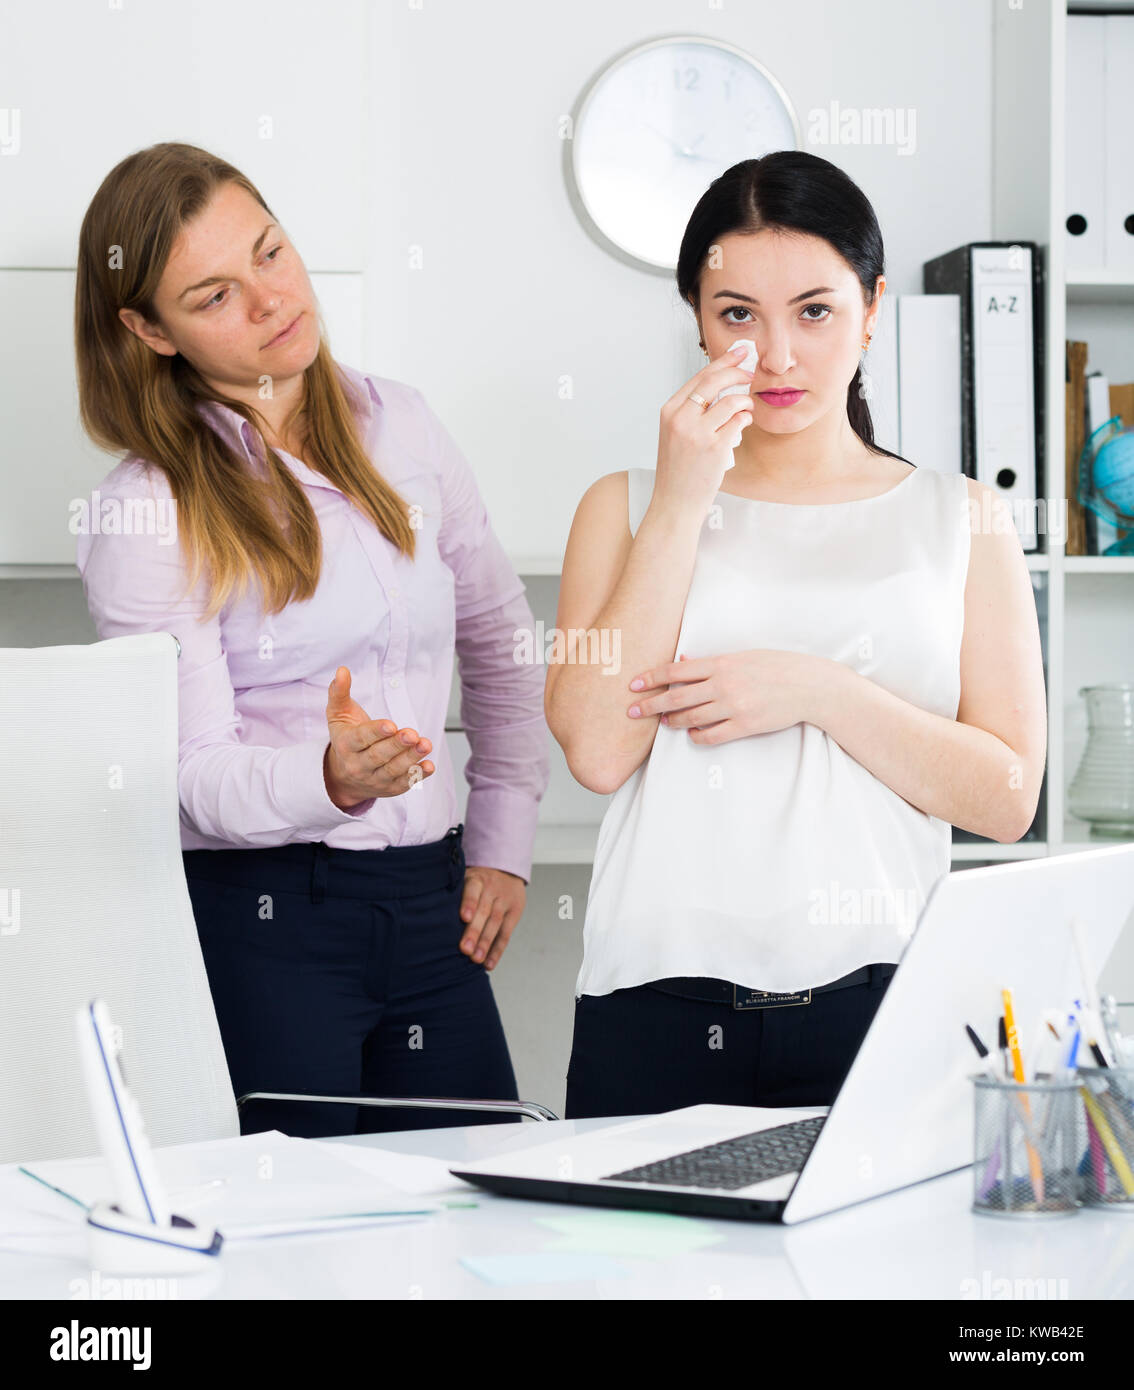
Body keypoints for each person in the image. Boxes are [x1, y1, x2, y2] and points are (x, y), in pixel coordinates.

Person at [547, 151, 1047, 1119]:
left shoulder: (964, 517)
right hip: (655, 1003)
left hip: (880, 1001)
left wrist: (819, 690)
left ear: (872, 308)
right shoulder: (624, 507)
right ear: (696, 316)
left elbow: (1006, 795)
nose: (776, 356)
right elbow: (600, 750)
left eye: (814, 310)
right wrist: (685, 501)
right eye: (738, 314)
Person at [74, 142, 548, 1137]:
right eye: (213, 296)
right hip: (269, 921)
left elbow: (497, 634)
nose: (270, 299)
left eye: (271, 252)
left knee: (477, 1225)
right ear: (146, 329)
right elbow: (189, 773)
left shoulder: (403, 425)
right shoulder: (148, 512)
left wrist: (502, 840)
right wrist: (327, 778)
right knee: (293, 1250)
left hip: (433, 896)